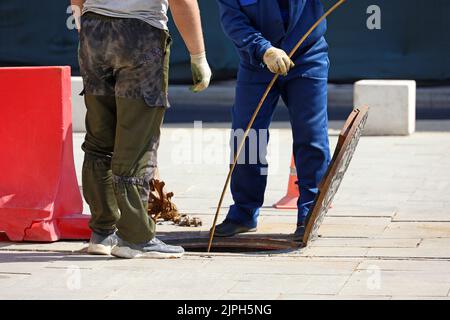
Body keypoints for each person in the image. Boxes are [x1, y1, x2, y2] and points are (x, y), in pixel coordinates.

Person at [71, 0, 212, 258]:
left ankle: (102, 233)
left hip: (94, 31)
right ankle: (135, 237)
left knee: (99, 140)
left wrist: (87, 30)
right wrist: (198, 56)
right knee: (136, 140)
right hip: (140, 35)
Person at [214, 0, 331, 241]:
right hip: (256, 62)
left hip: (307, 57)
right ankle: (243, 213)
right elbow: (233, 21)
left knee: (311, 135)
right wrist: (263, 50)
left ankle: (310, 212)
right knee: (248, 137)